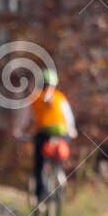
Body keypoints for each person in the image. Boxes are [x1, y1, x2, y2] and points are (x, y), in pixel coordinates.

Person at [14, 68, 77, 204]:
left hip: (44, 134)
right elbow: (69, 118)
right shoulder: (60, 98)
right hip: (62, 133)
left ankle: (39, 197)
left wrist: (19, 131)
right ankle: (59, 173)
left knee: (39, 165)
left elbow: (24, 119)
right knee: (58, 155)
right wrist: (72, 131)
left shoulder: (35, 98)